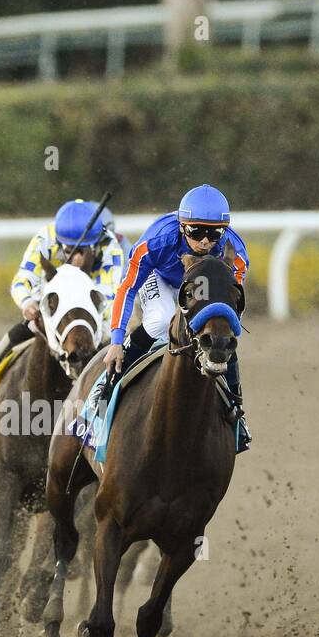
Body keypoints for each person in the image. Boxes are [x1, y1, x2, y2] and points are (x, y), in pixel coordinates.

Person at [104, 183, 250, 449]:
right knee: (161, 319)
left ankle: (237, 410)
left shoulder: (235, 254)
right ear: (183, 227)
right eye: (197, 231)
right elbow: (127, 288)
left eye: (214, 233)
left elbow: (233, 305)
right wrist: (115, 340)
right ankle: (109, 385)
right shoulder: (157, 240)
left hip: (201, 285)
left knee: (220, 332)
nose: (205, 241)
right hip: (159, 279)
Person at [0, 198, 124, 394]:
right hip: (50, 312)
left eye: (82, 252)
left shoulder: (110, 247)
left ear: (95, 245)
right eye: (69, 250)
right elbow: (22, 280)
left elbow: (109, 301)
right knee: (18, 333)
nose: (76, 258)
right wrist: (27, 303)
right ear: (59, 241)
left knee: (116, 344)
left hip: (90, 318)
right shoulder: (45, 238)